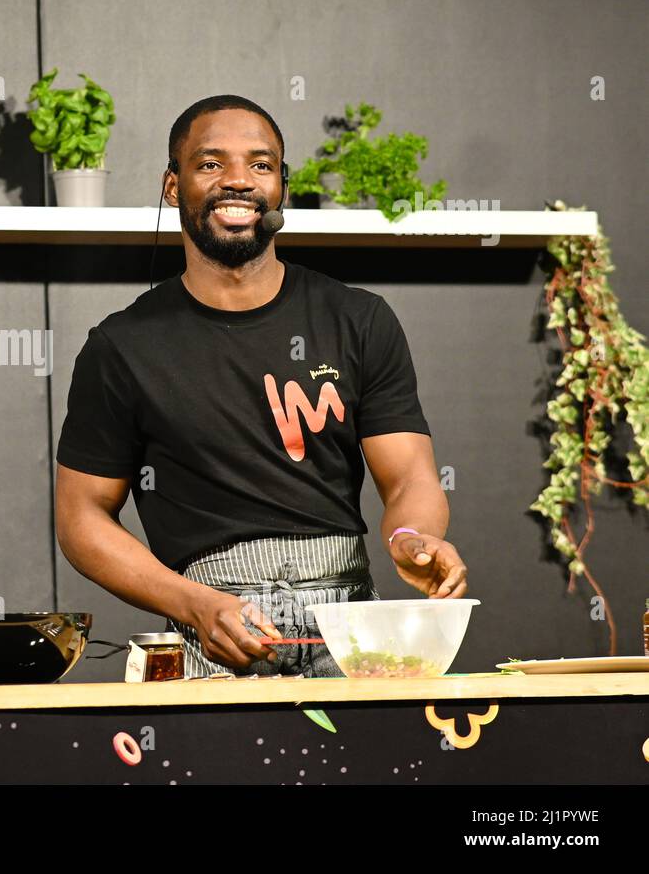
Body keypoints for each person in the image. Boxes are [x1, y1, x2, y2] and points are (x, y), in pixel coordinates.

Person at [55, 95, 467, 678]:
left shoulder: (359, 320)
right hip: (209, 634)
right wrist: (191, 604)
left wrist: (411, 538)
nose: (238, 182)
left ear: (282, 188)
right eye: (210, 164)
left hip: (349, 633)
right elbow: (81, 520)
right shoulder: (121, 347)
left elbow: (409, 477)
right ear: (172, 187)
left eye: (260, 164)